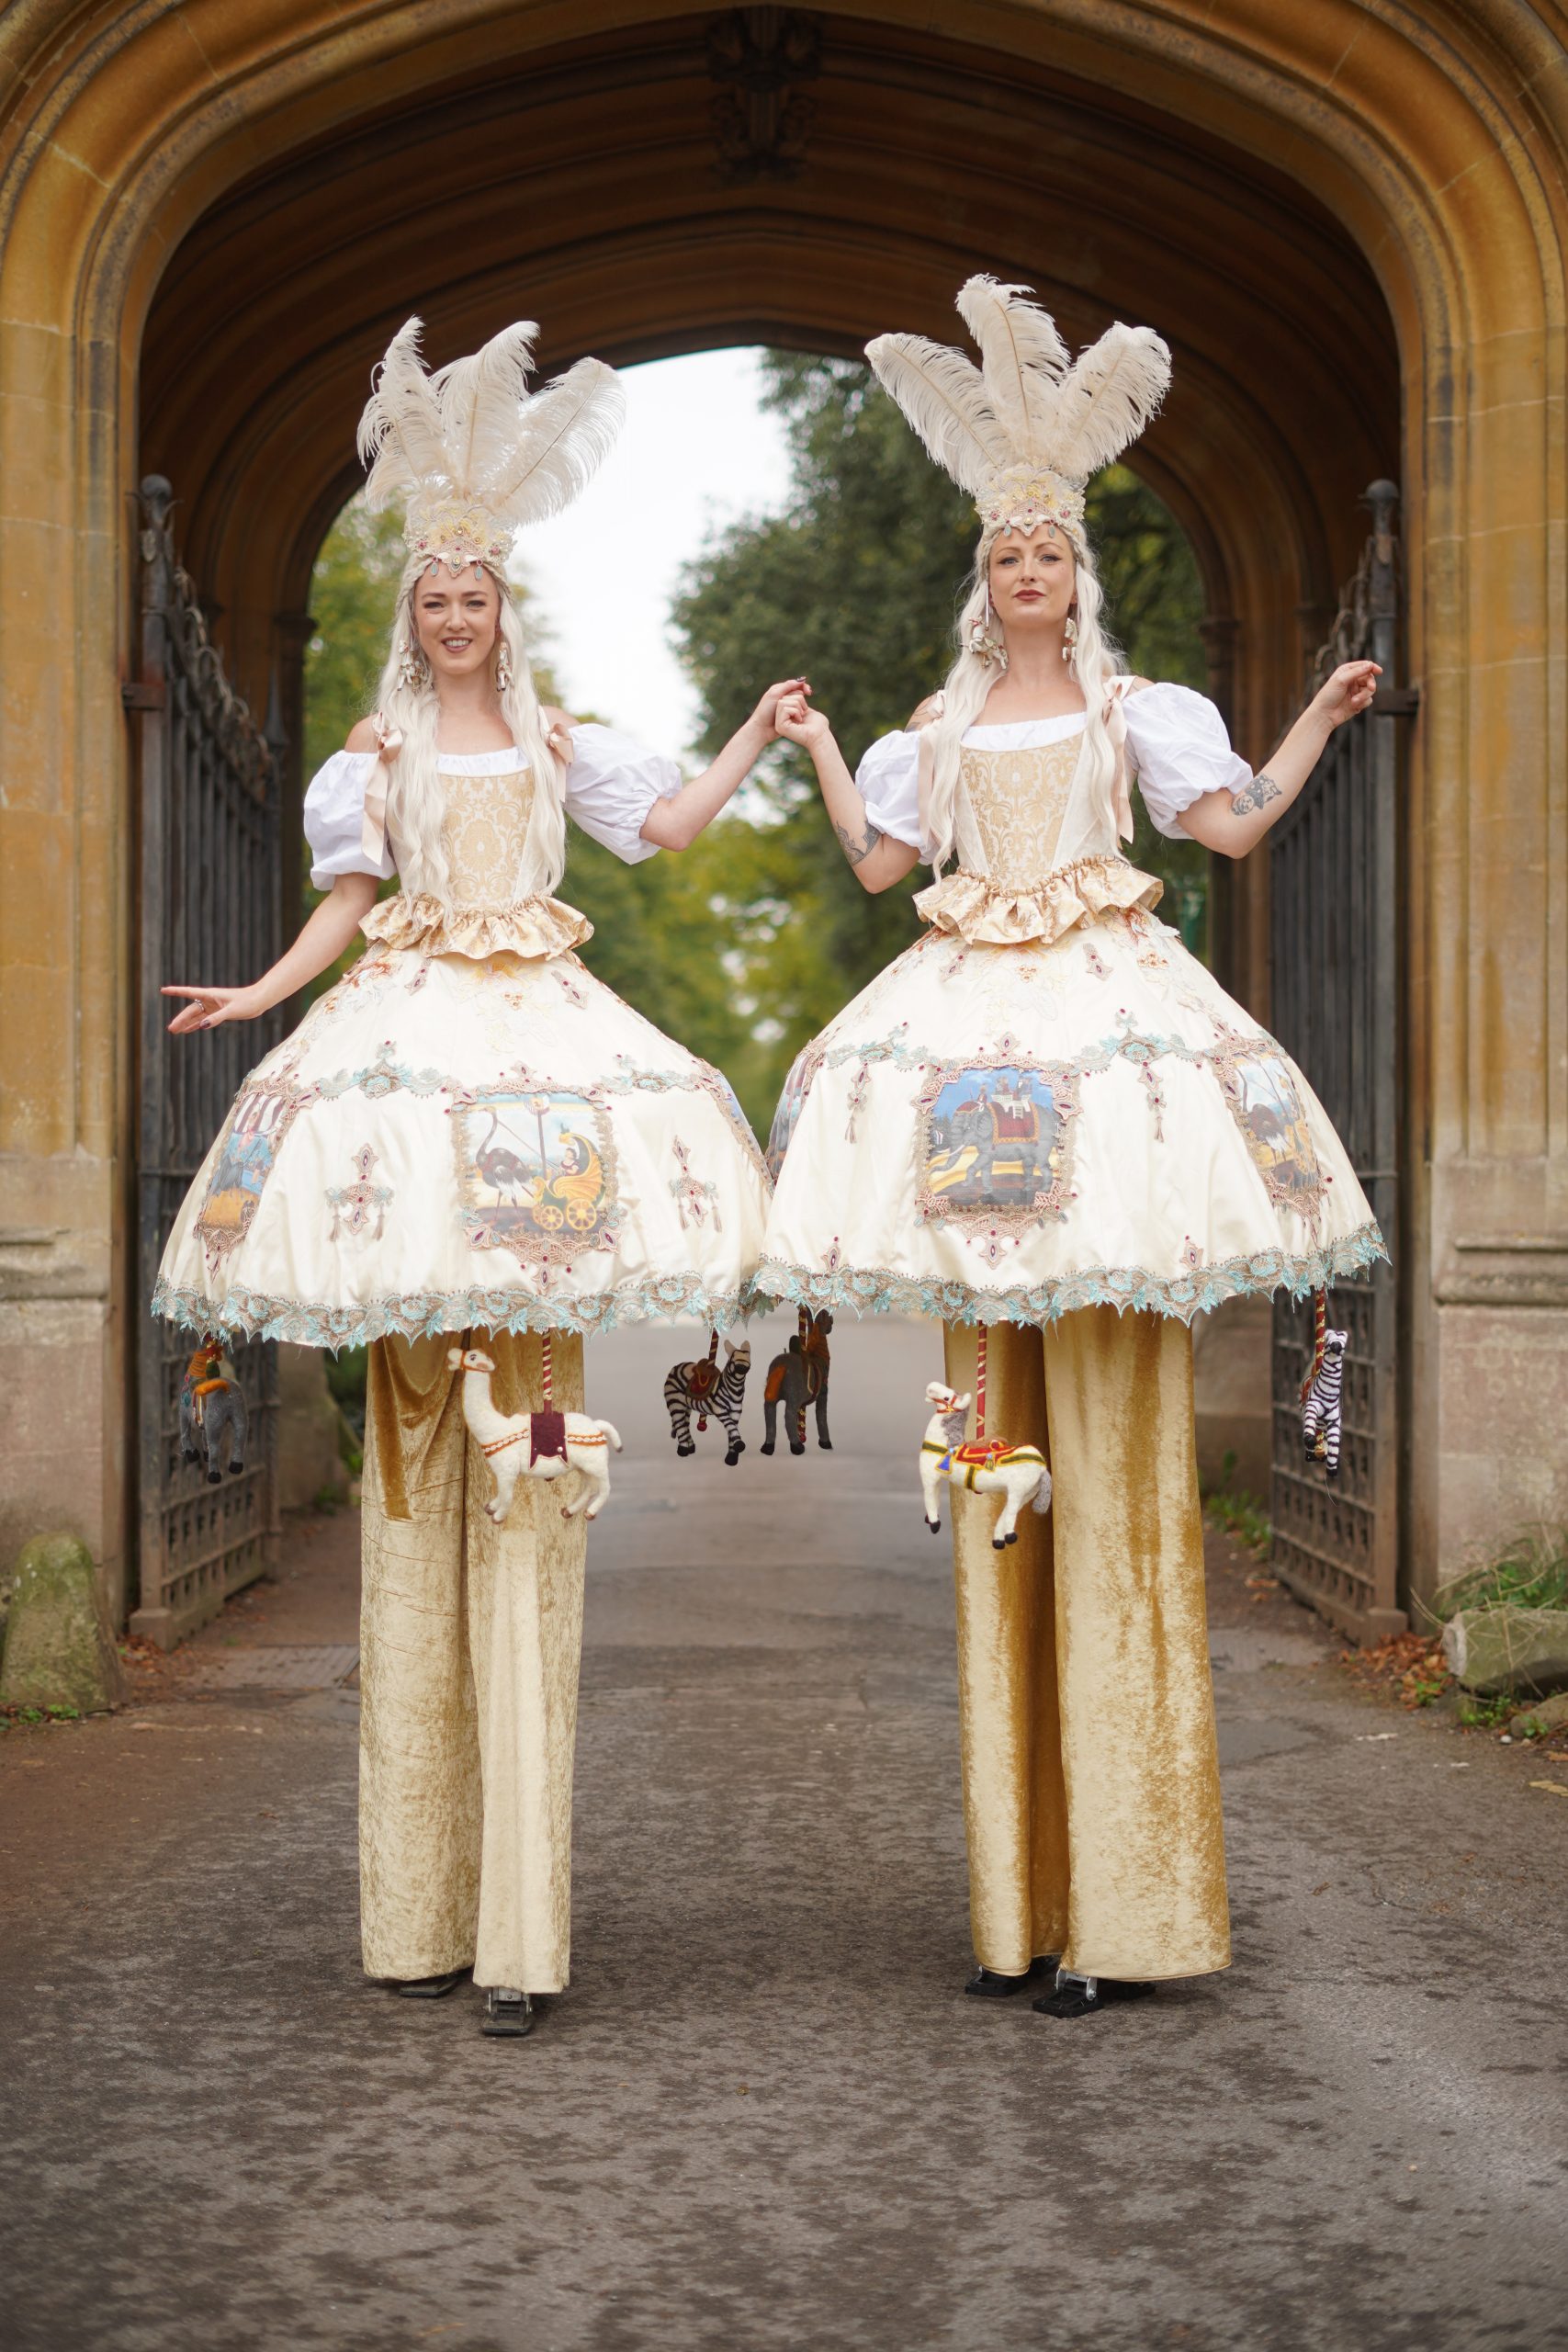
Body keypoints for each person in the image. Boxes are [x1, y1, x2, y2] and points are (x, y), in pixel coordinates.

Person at [155, 317, 792, 2038]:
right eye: (434, 599)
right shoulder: (373, 768)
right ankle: (417, 1903)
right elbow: (349, 908)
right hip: (408, 1069)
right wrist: (262, 999)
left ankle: (520, 1928)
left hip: (550, 1066)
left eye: (478, 597)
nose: (457, 618)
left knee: (534, 1474)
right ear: (412, 615)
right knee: (414, 1477)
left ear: (507, 608)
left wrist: (745, 738)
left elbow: (665, 834)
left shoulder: (564, 743)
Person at [756, 277, 1384, 2019]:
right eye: (1006, 557)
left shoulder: (1138, 714)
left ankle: (1128, 1895)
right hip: (971, 1057)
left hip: (1105, 1052)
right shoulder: (938, 737)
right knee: (992, 1460)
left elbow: (1239, 830)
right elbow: (885, 876)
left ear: (1074, 575)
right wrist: (813, 747)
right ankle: (1016, 1897)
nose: (1027, 574)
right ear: (985, 583)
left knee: (1109, 1453)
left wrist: (1323, 720)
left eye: (1048, 555)